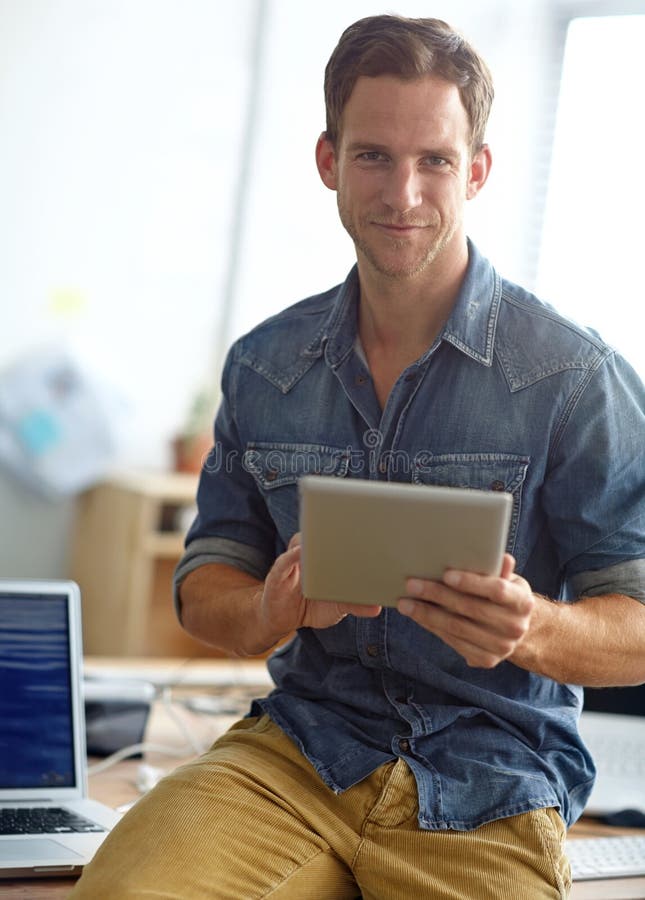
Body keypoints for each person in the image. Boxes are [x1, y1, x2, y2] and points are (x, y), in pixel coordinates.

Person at [71, 14, 645, 899]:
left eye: (435, 162)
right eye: (373, 156)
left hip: (490, 781)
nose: (403, 194)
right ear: (328, 161)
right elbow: (202, 589)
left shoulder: (574, 377)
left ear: (478, 171)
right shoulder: (265, 367)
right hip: (297, 754)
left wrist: (530, 626)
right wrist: (272, 606)